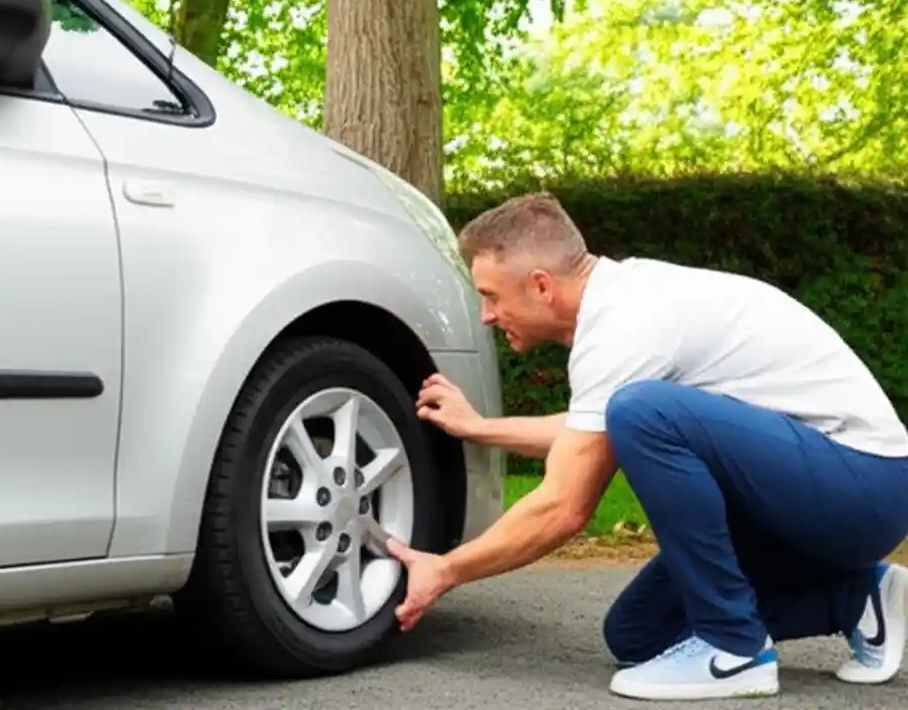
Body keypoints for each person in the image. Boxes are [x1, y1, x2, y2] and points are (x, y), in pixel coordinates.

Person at [385, 191, 908, 701]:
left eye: (491, 295)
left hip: (864, 486)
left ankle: (734, 648)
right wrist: (480, 428)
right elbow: (591, 433)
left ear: (541, 285)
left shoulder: (624, 325)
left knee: (641, 410)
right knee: (639, 633)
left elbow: (565, 507)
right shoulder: (622, 305)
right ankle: (855, 599)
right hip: (812, 489)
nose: (486, 316)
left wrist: (446, 569)